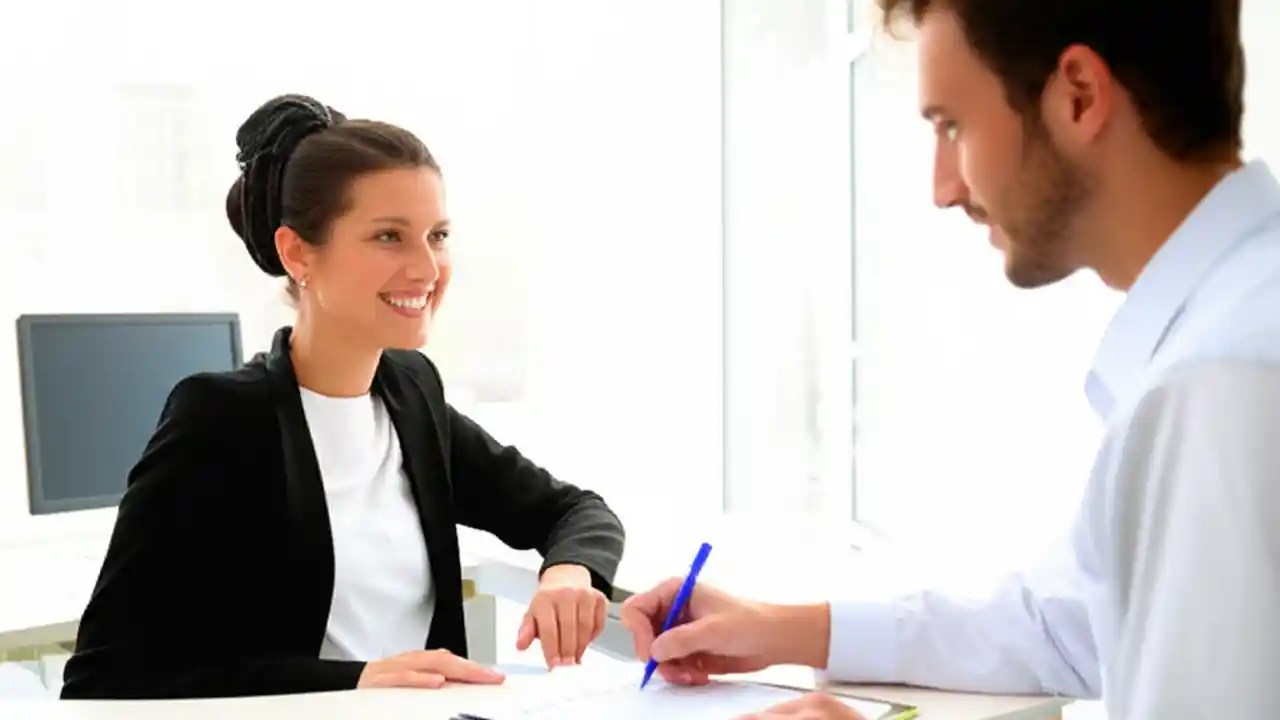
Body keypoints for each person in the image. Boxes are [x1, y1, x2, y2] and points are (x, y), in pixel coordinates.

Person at [622, 0, 1280, 718]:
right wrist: (785, 628)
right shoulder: (1231, 326)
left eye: (952, 126)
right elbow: (1066, 623)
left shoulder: (1221, 383)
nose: (944, 188)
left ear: (1080, 97)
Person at [61, 94, 626, 700]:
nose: (427, 268)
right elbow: (107, 675)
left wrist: (569, 571)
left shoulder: (412, 395)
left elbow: (573, 510)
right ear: (298, 253)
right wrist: (355, 682)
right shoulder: (222, 419)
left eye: (436, 235)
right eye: (389, 236)